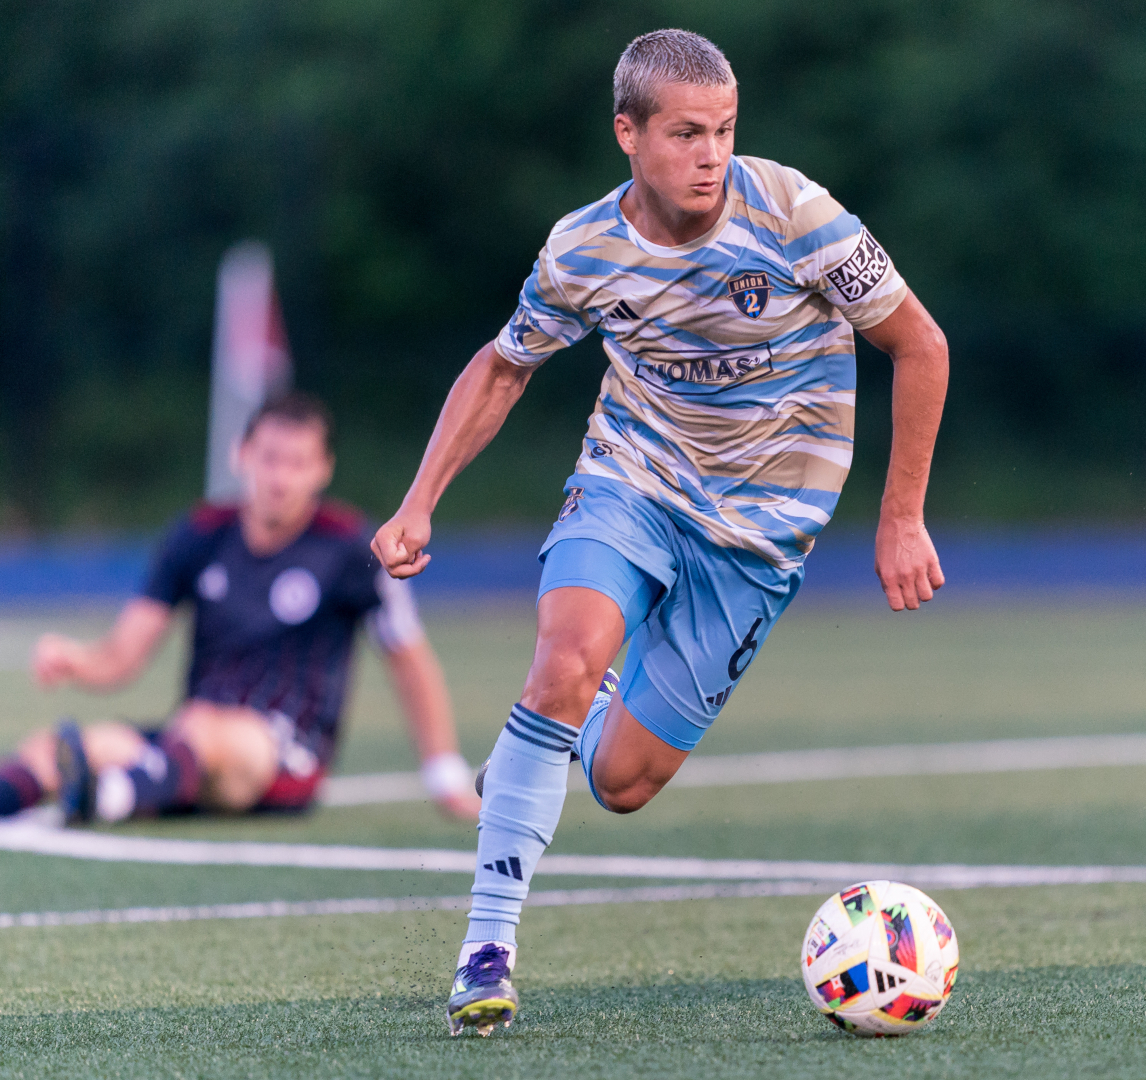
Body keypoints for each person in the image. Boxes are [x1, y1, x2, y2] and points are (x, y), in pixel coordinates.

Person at [370, 30, 950, 1036]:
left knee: (622, 783)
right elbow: (504, 367)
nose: (711, 153)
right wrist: (419, 501)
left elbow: (919, 344)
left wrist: (901, 517)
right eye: (686, 132)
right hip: (631, 483)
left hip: (762, 539)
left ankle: (543, 744)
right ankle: (486, 948)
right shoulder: (584, 249)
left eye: (724, 129)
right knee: (563, 657)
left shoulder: (797, 216)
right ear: (627, 133)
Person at [0, 392, 481, 828]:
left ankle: (107, 797)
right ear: (241, 457)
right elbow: (124, 654)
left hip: (283, 755)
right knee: (80, 742)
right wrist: (77, 661)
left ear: (323, 470)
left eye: (298, 463)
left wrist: (443, 766)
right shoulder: (198, 535)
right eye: (270, 459)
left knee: (200, 732)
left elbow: (409, 656)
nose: (280, 476)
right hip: (184, 747)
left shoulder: (350, 547)